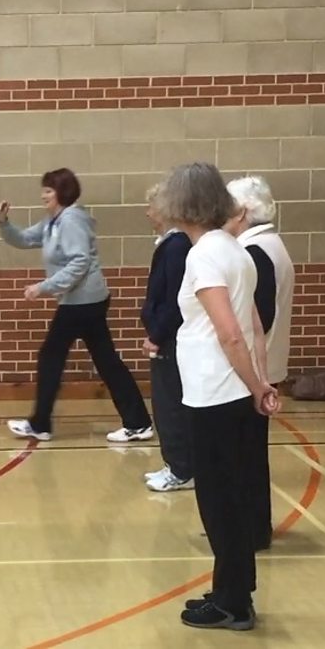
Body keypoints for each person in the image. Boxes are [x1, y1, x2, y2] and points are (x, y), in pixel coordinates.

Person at [154, 161, 279, 631]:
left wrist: (253, 385)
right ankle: (231, 589)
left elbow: (231, 334)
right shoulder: (235, 249)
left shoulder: (204, 255)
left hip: (216, 394)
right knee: (233, 496)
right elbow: (255, 328)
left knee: (219, 500)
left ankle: (234, 603)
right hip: (236, 392)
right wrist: (261, 385)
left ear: (181, 204)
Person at [0, 168, 152, 442]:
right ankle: (138, 422)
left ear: (62, 193)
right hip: (82, 301)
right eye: (43, 190)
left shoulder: (71, 221)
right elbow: (23, 239)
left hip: (84, 301)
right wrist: (3, 221)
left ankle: (41, 423)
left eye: (48, 190)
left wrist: (43, 287)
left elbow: (79, 261)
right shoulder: (52, 222)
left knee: (51, 356)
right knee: (106, 362)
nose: (43, 195)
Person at [225, 175, 294, 551]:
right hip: (261, 368)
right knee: (250, 453)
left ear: (244, 212)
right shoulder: (270, 245)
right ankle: (252, 527)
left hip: (253, 371)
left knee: (246, 455)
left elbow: (258, 318)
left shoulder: (256, 252)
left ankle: (250, 531)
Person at [137, 184, 194, 492]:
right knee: (165, 404)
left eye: (152, 207)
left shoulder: (176, 247)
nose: (148, 213)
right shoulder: (170, 245)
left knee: (170, 405)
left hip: (170, 341)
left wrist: (157, 335)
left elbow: (175, 300)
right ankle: (174, 464)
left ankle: (182, 469)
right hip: (166, 338)